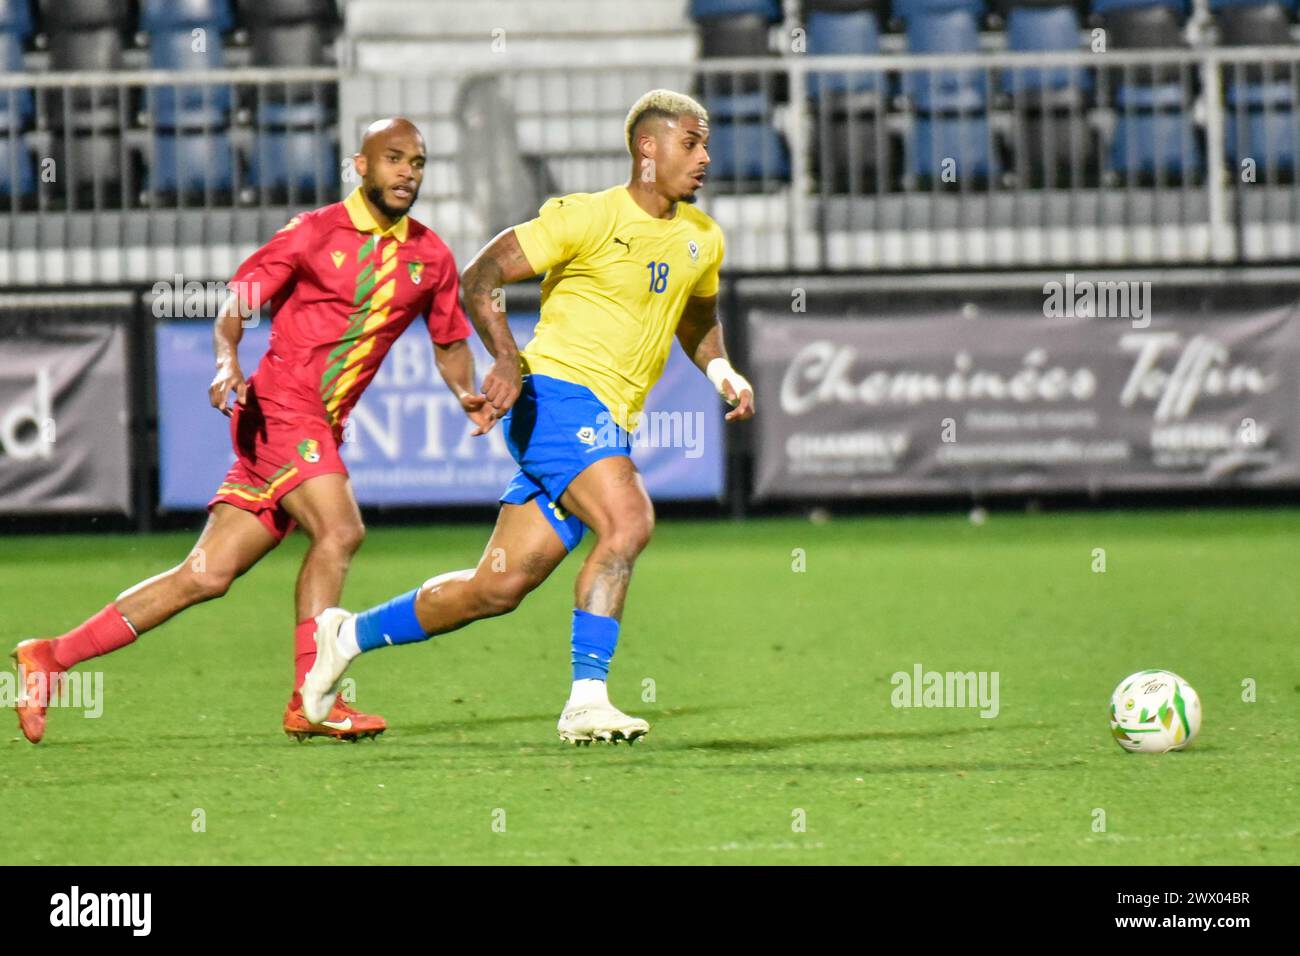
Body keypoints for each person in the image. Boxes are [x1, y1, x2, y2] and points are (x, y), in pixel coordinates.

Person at [12, 118, 490, 744]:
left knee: (204, 576)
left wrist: (465, 393)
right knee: (341, 530)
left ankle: (50, 657)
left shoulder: (431, 256)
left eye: (418, 163)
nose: (408, 173)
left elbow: (450, 340)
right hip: (283, 409)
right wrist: (224, 359)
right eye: (394, 159)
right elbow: (237, 302)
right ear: (361, 165)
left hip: (313, 425)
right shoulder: (313, 232)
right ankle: (312, 699)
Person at [300, 90, 755, 745]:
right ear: (647, 149)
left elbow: (697, 319)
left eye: (706, 143)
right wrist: (507, 359)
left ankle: (345, 636)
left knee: (497, 587)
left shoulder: (702, 238)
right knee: (628, 522)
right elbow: (480, 277)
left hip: (605, 418)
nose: (706, 156)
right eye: (692, 142)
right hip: (556, 398)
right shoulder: (587, 217)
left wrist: (722, 371)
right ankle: (587, 700)